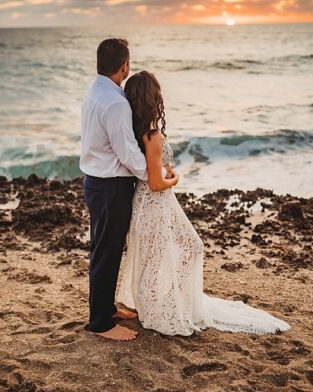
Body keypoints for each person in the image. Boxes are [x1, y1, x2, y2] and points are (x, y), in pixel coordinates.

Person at [117, 71, 291, 336]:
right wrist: (175, 178)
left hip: (150, 203)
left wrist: (165, 175)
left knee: (155, 255)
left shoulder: (134, 132)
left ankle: (157, 302)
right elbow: (154, 182)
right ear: (153, 99)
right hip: (154, 201)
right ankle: (158, 306)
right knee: (189, 248)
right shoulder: (153, 136)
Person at [80, 38, 178, 341]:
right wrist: (157, 172)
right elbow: (129, 156)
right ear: (125, 66)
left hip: (96, 182)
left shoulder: (95, 92)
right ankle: (100, 323)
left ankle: (105, 308)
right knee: (107, 253)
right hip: (111, 187)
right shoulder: (116, 103)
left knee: (103, 249)